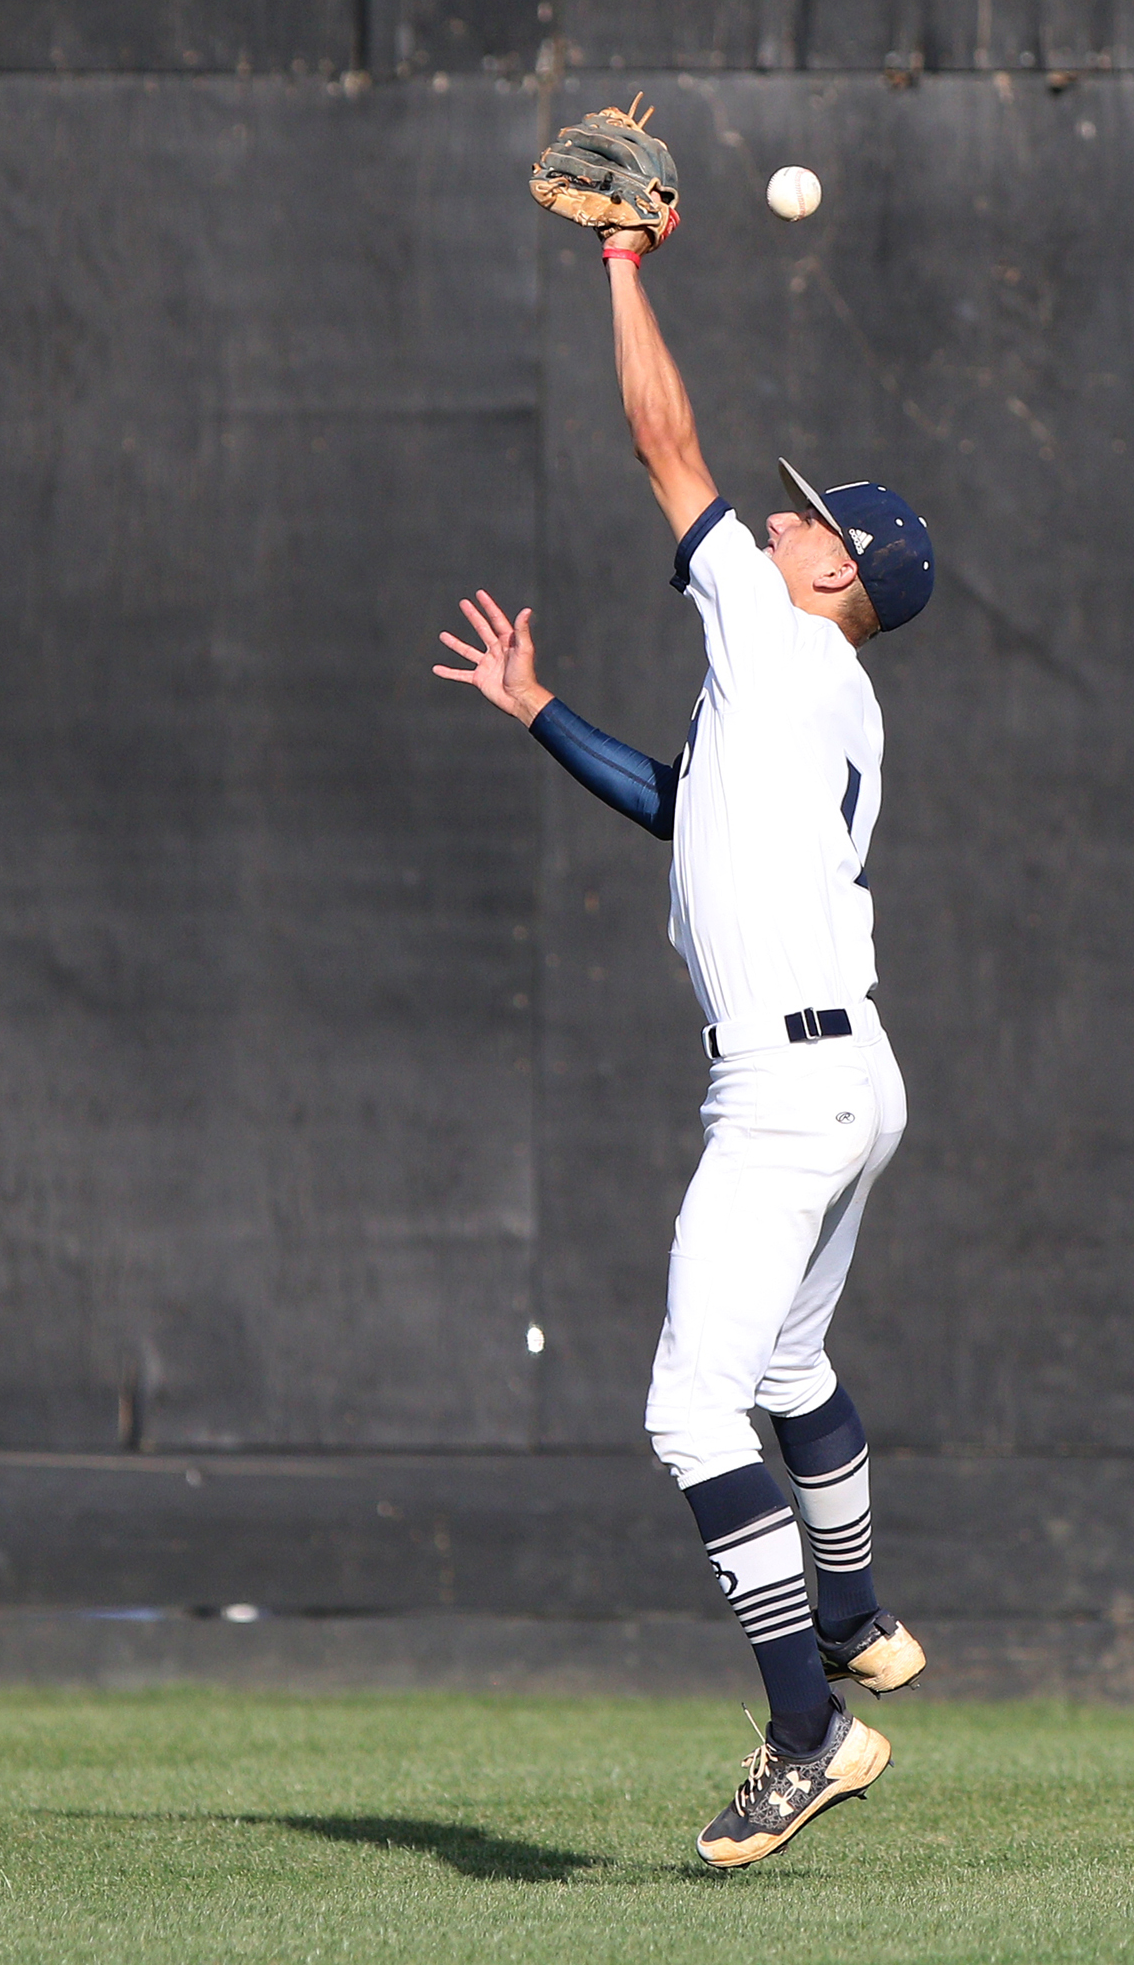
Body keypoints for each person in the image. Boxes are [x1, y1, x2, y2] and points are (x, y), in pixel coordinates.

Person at [433, 218, 935, 1869]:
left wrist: (623, 265)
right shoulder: (821, 700)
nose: (776, 515)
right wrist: (534, 716)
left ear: (833, 577)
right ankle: (857, 1619)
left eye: (807, 518)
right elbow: (676, 805)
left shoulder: (776, 633)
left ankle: (810, 1733)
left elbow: (664, 443)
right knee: (783, 1371)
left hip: (787, 1087)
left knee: (688, 1411)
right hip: (850, 1074)